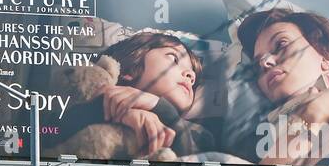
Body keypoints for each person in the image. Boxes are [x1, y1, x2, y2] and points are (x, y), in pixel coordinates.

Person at [236, 9, 329, 166]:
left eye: (280, 45)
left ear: (327, 57)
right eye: (257, 66)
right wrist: (312, 114)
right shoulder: (254, 137)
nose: (265, 62)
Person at [56, 32, 215, 158]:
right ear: (130, 69)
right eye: (174, 59)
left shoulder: (199, 132)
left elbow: (198, 155)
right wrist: (116, 112)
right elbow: (51, 136)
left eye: (193, 76)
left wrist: (160, 108)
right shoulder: (86, 106)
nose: (190, 76)